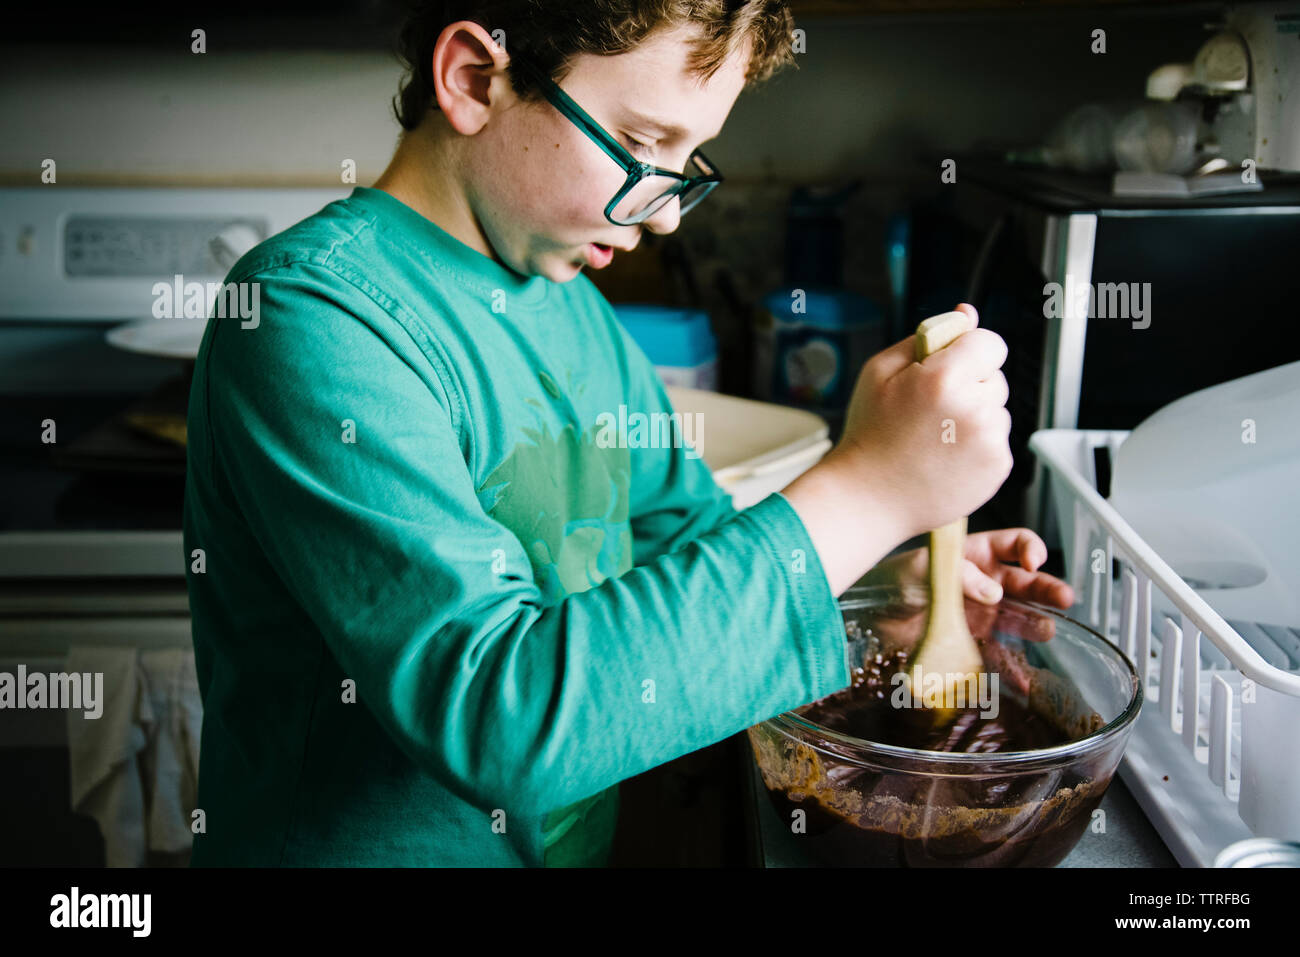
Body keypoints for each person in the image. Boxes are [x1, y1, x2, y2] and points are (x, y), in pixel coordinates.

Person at [183, 1, 1073, 867]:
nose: (666, 213)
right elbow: (504, 721)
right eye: (643, 146)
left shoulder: (565, 301)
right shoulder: (315, 315)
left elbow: (677, 540)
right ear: (473, 77)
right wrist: (867, 491)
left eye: (689, 159)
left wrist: (874, 573)